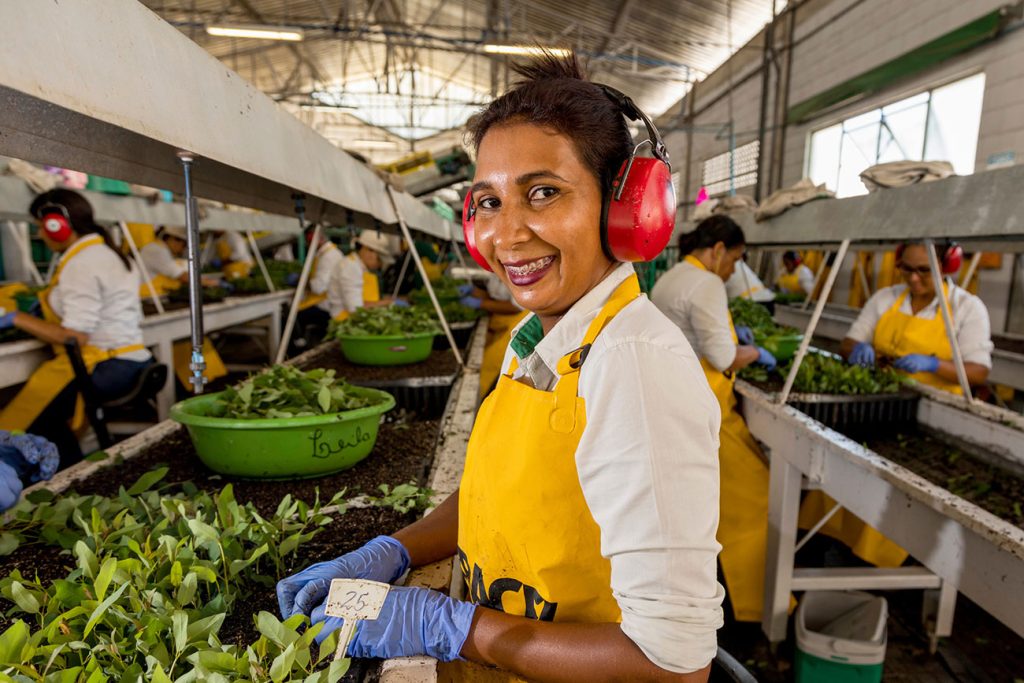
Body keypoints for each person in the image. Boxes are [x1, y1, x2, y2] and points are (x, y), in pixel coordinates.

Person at [277, 54, 724, 680]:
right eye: (488, 201)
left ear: (623, 208)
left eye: (543, 192)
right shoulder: (537, 336)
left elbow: (672, 665)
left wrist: (449, 626)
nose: (506, 234)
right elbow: (501, 497)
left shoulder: (635, 365)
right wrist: (394, 550)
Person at [650, 216, 780, 625]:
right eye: (735, 259)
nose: (732, 270)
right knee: (756, 503)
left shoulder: (671, 277)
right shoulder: (706, 283)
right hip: (707, 411)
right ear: (719, 248)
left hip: (674, 402)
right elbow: (723, 358)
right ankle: (757, 611)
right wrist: (757, 353)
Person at [0, 190, 153, 468]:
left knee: (33, 417)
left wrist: (17, 319)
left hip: (108, 365)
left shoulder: (82, 262)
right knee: (47, 412)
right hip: (131, 359)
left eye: (39, 227)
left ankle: (68, 474)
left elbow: (75, 336)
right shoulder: (102, 252)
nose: (41, 235)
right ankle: (72, 468)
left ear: (55, 226)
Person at [840, 241, 992, 394]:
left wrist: (934, 364)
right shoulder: (885, 298)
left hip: (937, 406)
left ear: (946, 266)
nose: (913, 278)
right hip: (880, 393)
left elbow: (978, 372)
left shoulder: (966, 307)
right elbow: (847, 344)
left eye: (924, 270)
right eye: (907, 268)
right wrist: (858, 349)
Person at [457, 273, 527, 398]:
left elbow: (516, 307)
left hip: (516, 320)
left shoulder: (517, 270)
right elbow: (494, 296)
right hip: (499, 320)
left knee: (489, 363)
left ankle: (473, 401)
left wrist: (480, 304)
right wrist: (475, 291)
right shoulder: (493, 269)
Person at [139, 225, 222, 294]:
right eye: (184, 245)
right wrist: (212, 282)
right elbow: (181, 276)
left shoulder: (159, 248)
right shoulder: (157, 250)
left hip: (154, 294)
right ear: (175, 240)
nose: (182, 250)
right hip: (146, 295)